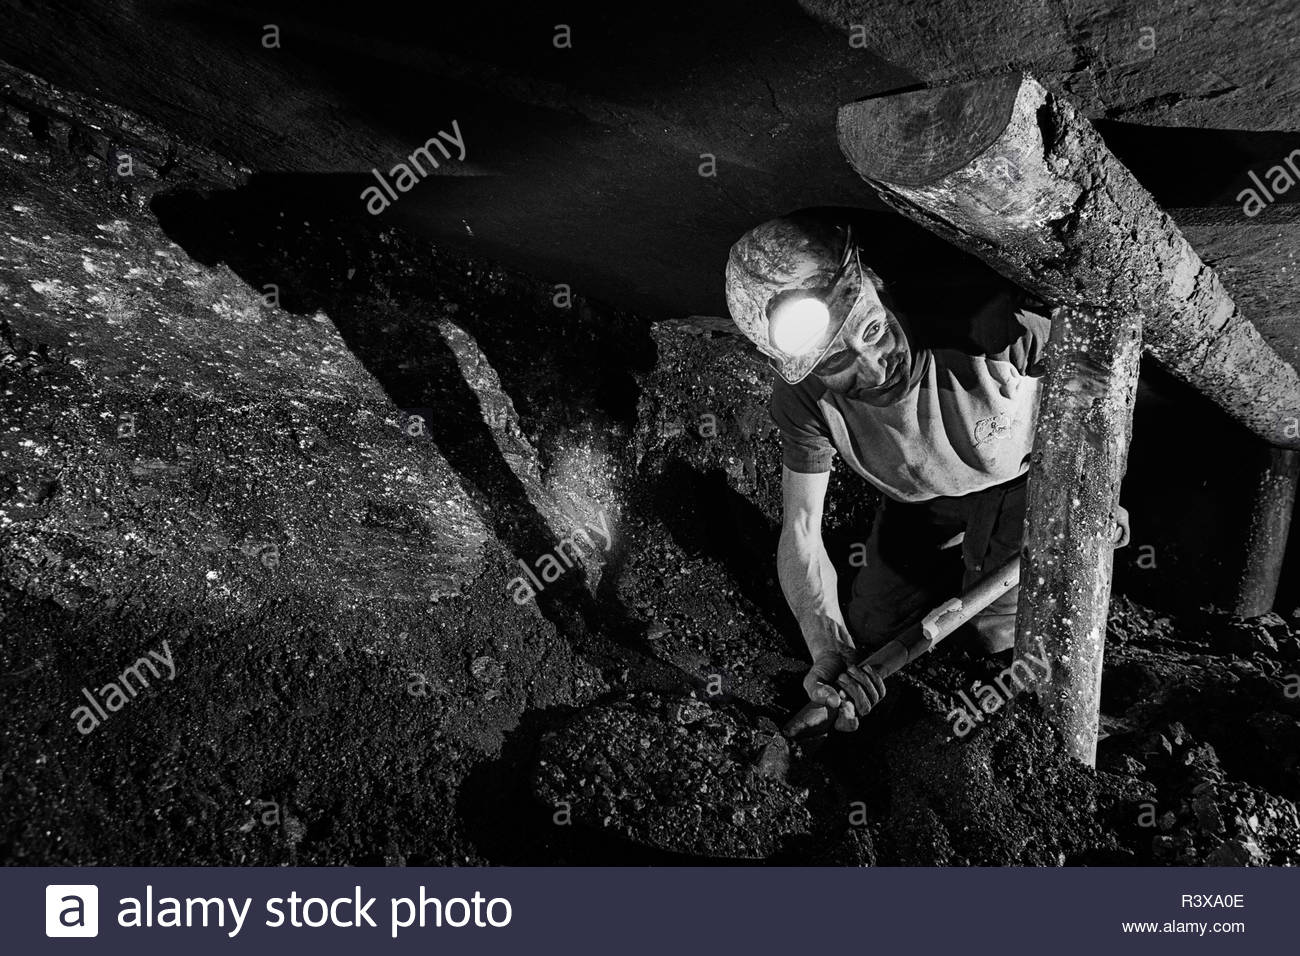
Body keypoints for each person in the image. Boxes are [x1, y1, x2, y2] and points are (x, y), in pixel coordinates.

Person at [724, 211, 1128, 732]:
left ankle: (1010, 715)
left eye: (872, 329)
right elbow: (801, 531)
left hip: (1027, 484)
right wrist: (826, 644)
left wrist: (1095, 487)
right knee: (870, 627)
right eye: (836, 362)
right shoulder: (805, 401)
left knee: (994, 636)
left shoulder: (987, 322)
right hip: (921, 504)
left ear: (877, 286)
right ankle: (951, 571)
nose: (873, 368)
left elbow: (1098, 385)